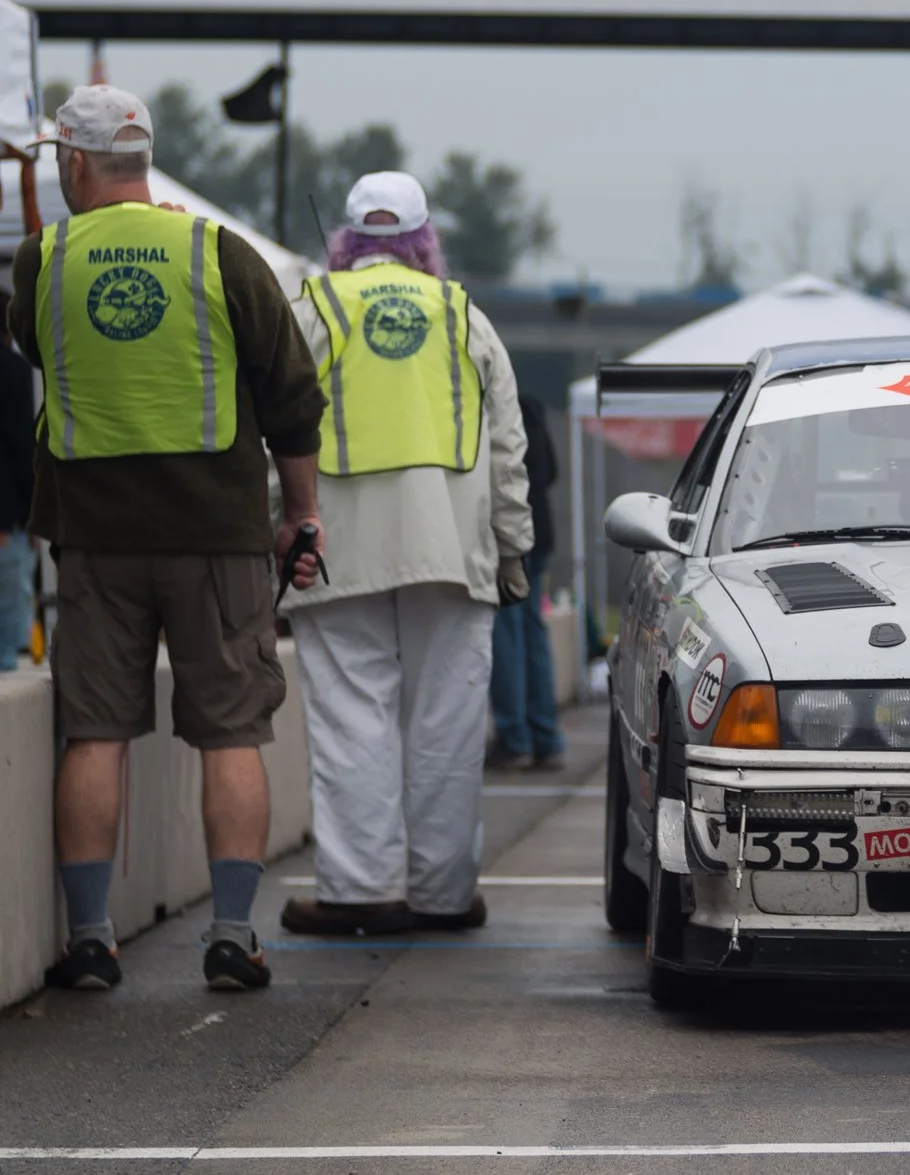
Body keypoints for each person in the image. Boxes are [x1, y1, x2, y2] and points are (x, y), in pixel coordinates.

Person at [14, 85, 328, 991]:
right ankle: (233, 935)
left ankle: (90, 939)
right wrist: (298, 513)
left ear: (72, 163)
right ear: (143, 161)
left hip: (94, 545)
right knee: (231, 733)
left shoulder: (43, 259)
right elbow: (291, 398)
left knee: (94, 734)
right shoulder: (217, 250)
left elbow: (32, 346)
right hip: (219, 540)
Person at [279, 172, 534, 937]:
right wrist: (514, 547)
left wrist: (281, 526)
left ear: (347, 243)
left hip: (337, 549)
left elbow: (277, 427)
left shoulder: (313, 309)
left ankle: (361, 892)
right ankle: (444, 893)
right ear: (425, 242)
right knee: (447, 726)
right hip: (454, 552)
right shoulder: (464, 316)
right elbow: (507, 447)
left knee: (351, 719)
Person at [488, 392, 562, 771]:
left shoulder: (491, 406)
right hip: (540, 532)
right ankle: (545, 737)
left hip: (506, 534)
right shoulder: (533, 406)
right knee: (533, 633)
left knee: (507, 635)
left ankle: (514, 736)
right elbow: (551, 471)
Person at [0, 326, 37, 669]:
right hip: (7, 517)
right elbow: (24, 445)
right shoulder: (15, 371)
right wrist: (34, 510)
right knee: (7, 643)